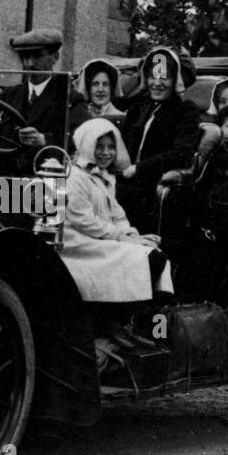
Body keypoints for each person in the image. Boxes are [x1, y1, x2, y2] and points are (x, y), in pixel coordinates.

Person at [62, 118, 173, 351]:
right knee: (148, 259)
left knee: (158, 257)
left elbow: (117, 215)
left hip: (99, 238)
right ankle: (117, 322)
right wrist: (123, 239)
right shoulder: (74, 176)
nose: (106, 153)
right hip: (77, 243)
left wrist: (134, 236)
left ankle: (156, 331)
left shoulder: (104, 177)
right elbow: (84, 221)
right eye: (99, 147)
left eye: (110, 147)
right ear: (86, 146)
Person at [115, 46, 203, 234]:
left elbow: (181, 154)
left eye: (165, 77)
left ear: (176, 80)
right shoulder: (139, 108)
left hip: (150, 186)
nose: (157, 83)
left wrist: (138, 169)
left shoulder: (185, 111)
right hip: (125, 180)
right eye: (152, 76)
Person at [0, 27, 71, 174]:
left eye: (37, 56)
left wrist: (44, 140)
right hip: (3, 184)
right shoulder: (8, 96)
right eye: (26, 57)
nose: (30, 64)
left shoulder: (68, 97)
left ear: (55, 57)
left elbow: (78, 140)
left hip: (45, 183)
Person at [67, 58, 126, 135]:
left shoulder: (121, 117)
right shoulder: (78, 116)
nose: (100, 89)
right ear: (88, 88)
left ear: (111, 88)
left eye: (105, 84)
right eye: (95, 84)